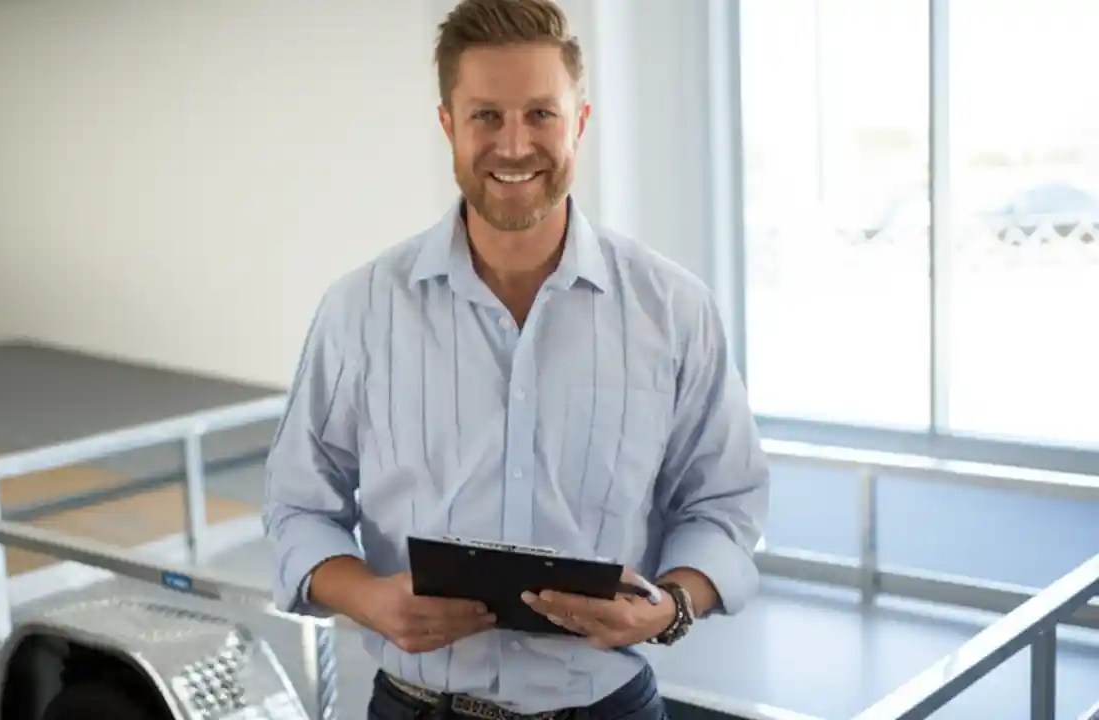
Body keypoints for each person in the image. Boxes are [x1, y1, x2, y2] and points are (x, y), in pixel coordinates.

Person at [263, 0, 769, 717]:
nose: (513, 145)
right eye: (486, 116)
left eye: (541, 115)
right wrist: (371, 599)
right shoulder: (360, 309)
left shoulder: (674, 309)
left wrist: (672, 607)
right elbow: (296, 507)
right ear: (448, 124)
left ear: (580, 122)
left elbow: (724, 504)